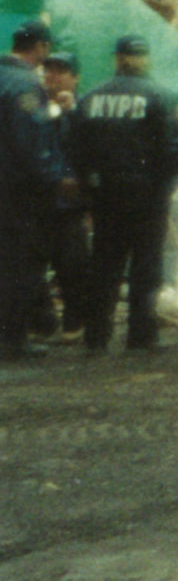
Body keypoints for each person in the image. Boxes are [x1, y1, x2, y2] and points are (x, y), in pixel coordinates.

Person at [70, 35, 178, 353]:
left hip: (104, 192)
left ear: (116, 58)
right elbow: (174, 149)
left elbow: (76, 148)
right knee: (146, 266)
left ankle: (96, 336)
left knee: (104, 264)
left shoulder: (92, 97)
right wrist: (164, 188)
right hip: (147, 193)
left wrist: (88, 189)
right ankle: (141, 335)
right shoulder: (159, 96)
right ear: (144, 58)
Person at [1, 19, 67, 362]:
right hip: (17, 190)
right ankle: (13, 338)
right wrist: (54, 179)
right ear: (39, 47)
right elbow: (33, 144)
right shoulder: (26, 85)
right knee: (20, 263)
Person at [37, 52, 93, 344]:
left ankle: (75, 323)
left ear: (75, 76)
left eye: (61, 71)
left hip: (70, 200)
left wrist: (72, 114)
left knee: (72, 263)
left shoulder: (85, 108)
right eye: (49, 70)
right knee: (32, 263)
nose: (53, 76)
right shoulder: (34, 105)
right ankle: (43, 321)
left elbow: (91, 148)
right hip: (39, 198)